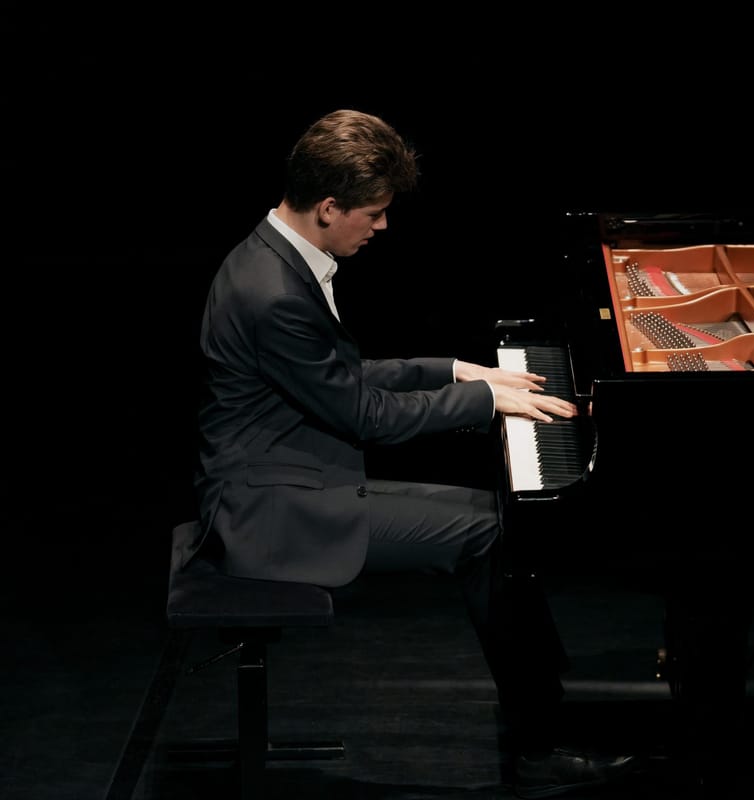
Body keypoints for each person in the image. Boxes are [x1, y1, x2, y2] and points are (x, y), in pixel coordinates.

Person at [184, 108, 637, 799]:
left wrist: (455, 370)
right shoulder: (273, 290)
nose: (382, 226)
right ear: (329, 206)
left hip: (288, 478)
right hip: (269, 511)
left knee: (493, 523)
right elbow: (363, 415)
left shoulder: (276, 257)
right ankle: (539, 742)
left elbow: (339, 378)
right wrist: (486, 403)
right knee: (490, 532)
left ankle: (546, 711)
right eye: (374, 212)